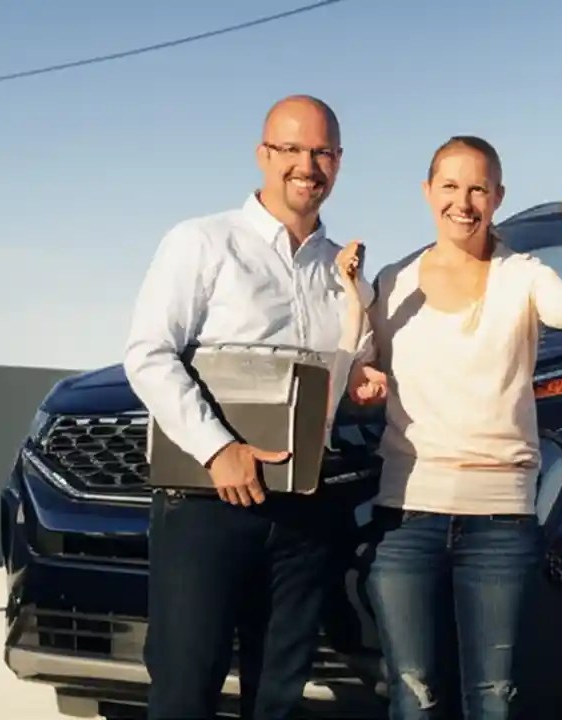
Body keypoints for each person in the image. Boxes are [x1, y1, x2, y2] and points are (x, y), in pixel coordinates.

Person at [123, 94, 371, 720]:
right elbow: (148, 355)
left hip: (304, 514)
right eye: (291, 149)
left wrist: (362, 378)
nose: (306, 165)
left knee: (279, 700)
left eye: (321, 152)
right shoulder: (203, 242)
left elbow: (333, 378)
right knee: (184, 691)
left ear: (339, 162)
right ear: (264, 155)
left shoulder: (341, 272)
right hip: (208, 507)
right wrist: (218, 448)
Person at [338, 135, 562, 719]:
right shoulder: (395, 280)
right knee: (413, 696)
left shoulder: (522, 276)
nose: (464, 201)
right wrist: (351, 299)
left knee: (494, 702)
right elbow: (359, 364)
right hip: (406, 519)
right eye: (451, 186)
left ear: (499, 196)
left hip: (499, 523)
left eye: (479, 188)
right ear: (428, 192)